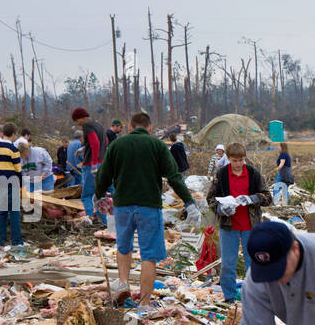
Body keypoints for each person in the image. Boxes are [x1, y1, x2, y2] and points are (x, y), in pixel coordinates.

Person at [95, 111, 200, 312]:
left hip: (122, 206)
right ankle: (143, 304)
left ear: (129, 127)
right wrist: (189, 202)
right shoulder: (157, 146)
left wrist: (98, 196)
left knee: (123, 247)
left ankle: (124, 283)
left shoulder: (117, 145)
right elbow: (174, 176)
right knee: (149, 255)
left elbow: (103, 175)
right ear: (150, 128)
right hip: (148, 207)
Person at [208, 142, 272, 303]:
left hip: (251, 225)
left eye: (240, 160)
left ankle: (254, 296)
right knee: (228, 263)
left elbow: (268, 197)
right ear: (228, 159)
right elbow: (210, 199)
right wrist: (221, 209)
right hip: (229, 226)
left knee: (253, 262)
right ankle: (229, 297)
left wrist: (252, 198)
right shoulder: (221, 175)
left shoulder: (253, 174)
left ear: (245, 158)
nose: (237, 164)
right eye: (234, 161)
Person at [0, 123, 24, 249]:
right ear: (13, 134)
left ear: (3, 132)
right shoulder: (13, 150)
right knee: (14, 212)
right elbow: (18, 169)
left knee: (2, 212)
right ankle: (16, 241)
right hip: (11, 182)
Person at [73, 107, 110, 223]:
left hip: (91, 164)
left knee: (87, 195)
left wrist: (93, 164)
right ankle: (104, 222)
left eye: (76, 121)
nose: (77, 124)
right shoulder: (98, 124)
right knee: (99, 195)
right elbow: (105, 142)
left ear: (81, 118)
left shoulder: (87, 125)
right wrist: (84, 148)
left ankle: (88, 220)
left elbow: (95, 143)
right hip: (103, 164)